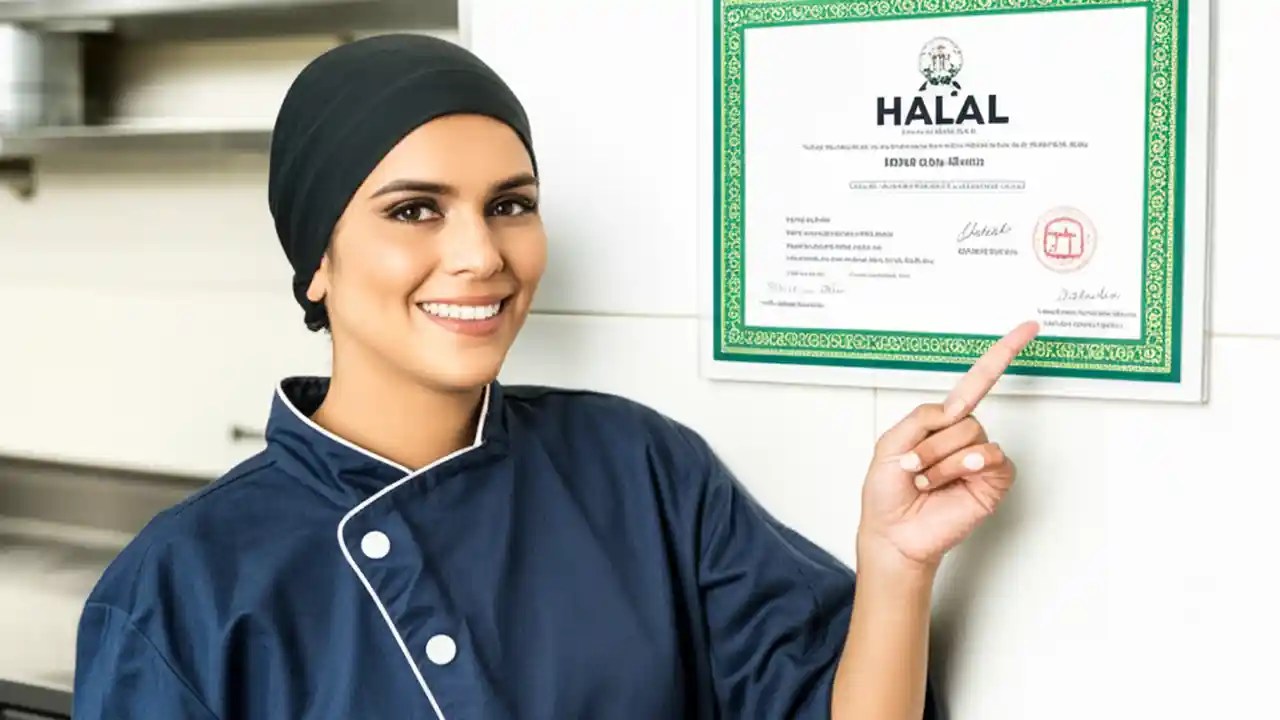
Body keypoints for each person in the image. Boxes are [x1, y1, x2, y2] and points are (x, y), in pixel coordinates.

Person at [71, 34, 1037, 720]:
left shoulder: (637, 467)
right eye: (413, 210)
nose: (480, 256)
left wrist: (897, 563)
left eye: (510, 204)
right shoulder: (180, 588)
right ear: (316, 259)